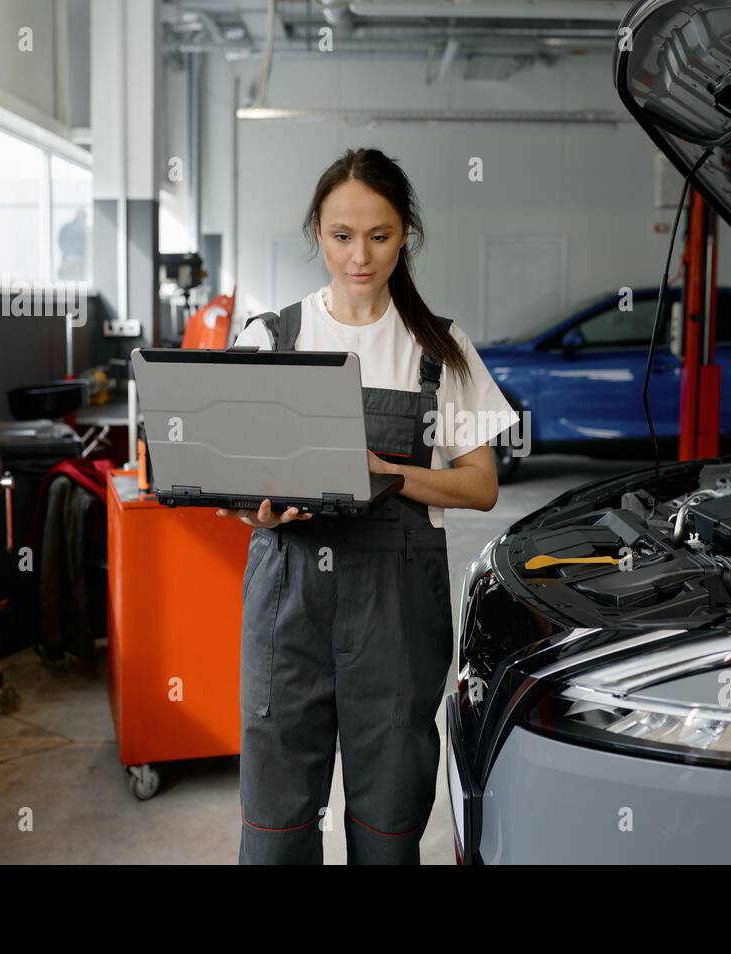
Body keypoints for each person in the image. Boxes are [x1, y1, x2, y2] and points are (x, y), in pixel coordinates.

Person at [221, 147, 514, 864]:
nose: (360, 256)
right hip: (288, 600)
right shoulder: (270, 339)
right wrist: (256, 512)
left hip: (395, 612)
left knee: (389, 821)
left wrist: (390, 471)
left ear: (405, 235)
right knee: (276, 819)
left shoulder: (439, 349)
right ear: (317, 233)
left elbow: (480, 485)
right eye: (341, 236)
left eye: (379, 236)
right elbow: (233, 484)